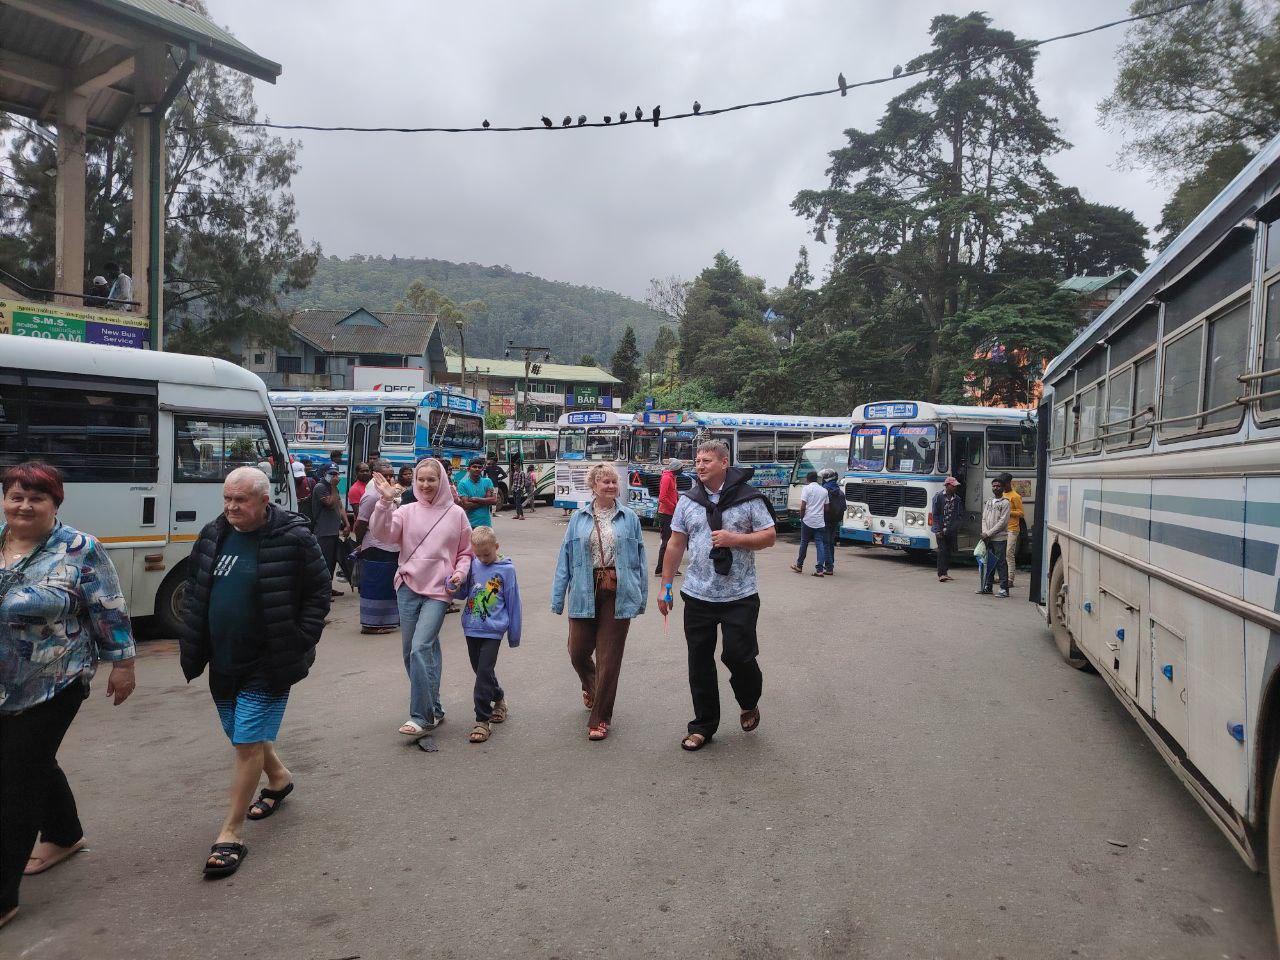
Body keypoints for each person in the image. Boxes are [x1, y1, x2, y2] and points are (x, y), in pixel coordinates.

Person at [0, 462, 137, 928]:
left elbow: (109, 610)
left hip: (55, 678)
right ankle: (64, 833)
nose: (23, 505)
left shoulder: (80, 549)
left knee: (15, 778)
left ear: (55, 503)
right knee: (31, 760)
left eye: (36, 498)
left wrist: (123, 665)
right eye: (15, 495)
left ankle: (4, 895)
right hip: (2, 683)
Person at [180, 466, 330, 879]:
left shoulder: (294, 538)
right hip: (221, 658)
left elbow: (318, 591)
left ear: (264, 500)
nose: (231, 507)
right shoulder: (214, 534)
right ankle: (279, 779)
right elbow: (195, 586)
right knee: (240, 734)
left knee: (246, 741)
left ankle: (231, 833)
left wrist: (301, 638)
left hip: (270, 662)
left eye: (240, 499)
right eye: (227, 498)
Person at [658, 439, 776, 752]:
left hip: (740, 595)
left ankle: (748, 700)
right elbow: (675, 544)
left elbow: (769, 536)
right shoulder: (688, 501)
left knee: (738, 655)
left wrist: (734, 538)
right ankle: (702, 726)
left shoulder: (749, 499)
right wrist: (666, 586)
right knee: (699, 662)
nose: (699, 465)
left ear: (724, 463)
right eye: (696, 460)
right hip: (697, 595)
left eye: (706, 460)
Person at [368, 458, 473, 738]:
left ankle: (421, 716)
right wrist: (384, 503)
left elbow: (465, 553)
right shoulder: (406, 510)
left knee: (420, 648)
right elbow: (382, 534)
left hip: (440, 590)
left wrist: (460, 574)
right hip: (408, 587)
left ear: (441, 481)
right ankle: (435, 708)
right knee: (414, 652)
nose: (426, 485)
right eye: (421, 479)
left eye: (432, 479)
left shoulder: (456, 514)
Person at [551, 463, 648, 741]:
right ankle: (592, 686)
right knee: (577, 651)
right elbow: (565, 559)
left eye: (613, 482)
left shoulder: (629, 518)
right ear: (593, 486)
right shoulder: (578, 518)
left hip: (617, 591)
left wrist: (639, 596)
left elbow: (640, 560)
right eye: (604, 482)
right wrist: (558, 597)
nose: (610, 486)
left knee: (609, 658)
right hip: (584, 589)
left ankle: (600, 717)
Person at [455, 525, 522, 743]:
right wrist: (453, 584)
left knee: (483, 671)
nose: (483, 559)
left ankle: (482, 720)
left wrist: (514, 634)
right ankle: (499, 697)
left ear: (496, 547)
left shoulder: (506, 570)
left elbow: (513, 603)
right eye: (479, 554)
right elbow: (465, 592)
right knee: (480, 670)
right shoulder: (473, 565)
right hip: (471, 628)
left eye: (487, 554)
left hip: (493, 630)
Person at [352, 459, 402, 634]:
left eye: (391, 475)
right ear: (375, 474)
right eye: (384, 475)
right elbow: (360, 523)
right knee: (376, 586)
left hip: (391, 547)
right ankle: (371, 624)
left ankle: (387, 621)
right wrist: (360, 543)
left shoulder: (394, 492)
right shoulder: (372, 495)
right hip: (375, 548)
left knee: (388, 585)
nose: (388, 479)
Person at [312, 465, 350, 597]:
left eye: (336, 474)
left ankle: (328, 588)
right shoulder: (320, 487)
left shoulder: (333, 488)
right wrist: (334, 487)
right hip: (323, 531)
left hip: (333, 531)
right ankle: (322, 591)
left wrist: (346, 523)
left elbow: (339, 506)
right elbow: (330, 503)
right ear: (324, 474)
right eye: (332, 474)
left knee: (332, 561)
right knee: (325, 562)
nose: (335, 477)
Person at [790, 471, 829, 577]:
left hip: (807, 520)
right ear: (817, 479)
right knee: (819, 544)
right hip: (819, 522)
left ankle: (799, 565)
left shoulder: (806, 489)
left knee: (804, 543)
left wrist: (802, 517)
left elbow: (803, 506)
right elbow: (827, 508)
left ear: (807, 479)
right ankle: (820, 570)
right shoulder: (824, 491)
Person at [979, 477, 1012, 598]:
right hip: (988, 537)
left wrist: (988, 533)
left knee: (1001, 563)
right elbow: (984, 518)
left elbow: (1002, 522)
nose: (995, 488)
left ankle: (1004, 589)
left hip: (999, 538)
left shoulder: (1005, 503)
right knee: (989, 563)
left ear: (1003, 488)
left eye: (998, 486)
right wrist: (985, 533)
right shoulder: (989, 501)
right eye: (994, 486)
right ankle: (988, 586)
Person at [930, 476, 964, 583]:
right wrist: (937, 529)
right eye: (953, 486)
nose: (955, 488)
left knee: (949, 551)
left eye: (955, 486)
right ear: (947, 486)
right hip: (940, 529)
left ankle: (945, 572)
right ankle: (941, 574)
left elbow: (959, 514)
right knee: (942, 551)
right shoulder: (938, 497)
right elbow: (935, 514)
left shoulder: (957, 499)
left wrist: (956, 526)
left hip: (951, 529)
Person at [654, 460, 683, 576]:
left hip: (671, 513)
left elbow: (671, 494)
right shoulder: (667, 478)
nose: (682, 469)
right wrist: (674, 506)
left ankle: (671, 568)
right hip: (666, 513)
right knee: (666, 542)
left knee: (674, 542)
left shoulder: (672, 477)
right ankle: (660, 569)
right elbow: (662, 497)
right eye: (681, 467)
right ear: (676, 468)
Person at [456, 457, 498, 528]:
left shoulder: (487, 481)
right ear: (468, 469)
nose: (477, 469)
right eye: (474, 467)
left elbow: (494, 501)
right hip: (469, 525)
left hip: (486, 524)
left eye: (479, 467)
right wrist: (486, 500)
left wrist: (475, 499)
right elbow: (466, 505)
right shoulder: (462, 484)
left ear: (482, 469)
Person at [999, 472, 1024, 590]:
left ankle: (1010, 579)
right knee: (1002, 554)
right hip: (1002, 528)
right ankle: (1003, 576)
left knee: (1009, 553)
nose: (1002, 487)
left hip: (1013, 529)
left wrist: (1008, 511)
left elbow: (1021, 513)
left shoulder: (1015, 496)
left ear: (1009, 483)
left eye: (1003, 484)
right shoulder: (1002, 495)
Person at [818, 469, 845, 576]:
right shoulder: (839, 491)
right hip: (835, 521)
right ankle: (830, 564)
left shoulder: (824, 490)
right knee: (830, 543)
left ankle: (829, 567)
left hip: (825, 520)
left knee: (825, 543)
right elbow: (844, 508)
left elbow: (822, 506)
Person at [508, 455, 528, 519]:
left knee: (518, 503)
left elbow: (523, 482)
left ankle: (522, 515)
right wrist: (512, 488)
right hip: (514, 489)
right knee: (516, 503)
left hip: (518, 489)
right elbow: (514, 481)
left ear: (518, 466)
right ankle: (517, 514)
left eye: (515, 465)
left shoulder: (522, 473)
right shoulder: (515, 473)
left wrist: (520, 488)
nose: (514, 466)